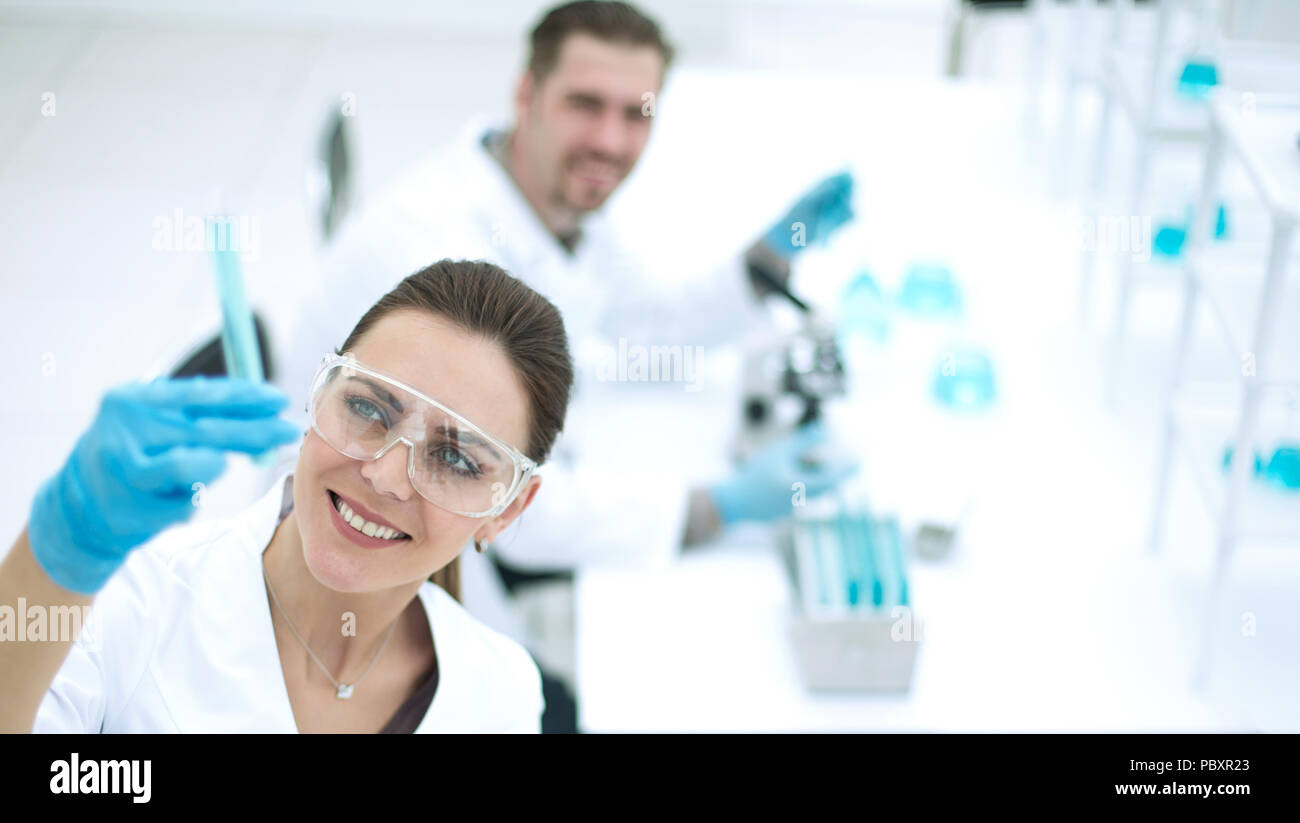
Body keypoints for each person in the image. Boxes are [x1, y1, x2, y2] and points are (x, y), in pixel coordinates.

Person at [274, 0, 858, 729]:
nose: (610, 140)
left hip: (442, 501)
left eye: (636, 113)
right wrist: (715, 508)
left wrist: (770, 257)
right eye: (585, 105)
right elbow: (504, 501)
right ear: (526, 94)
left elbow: (641, 317)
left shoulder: (546, 196)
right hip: (362, 536)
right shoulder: (444, 255)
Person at [0, 259, 574, 733]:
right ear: (319, 393)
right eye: (369, 409)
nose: (385, 477)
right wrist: (54, 554)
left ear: (507, 509)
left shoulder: (503, 691)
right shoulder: (127, 603)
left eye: (454, 458)